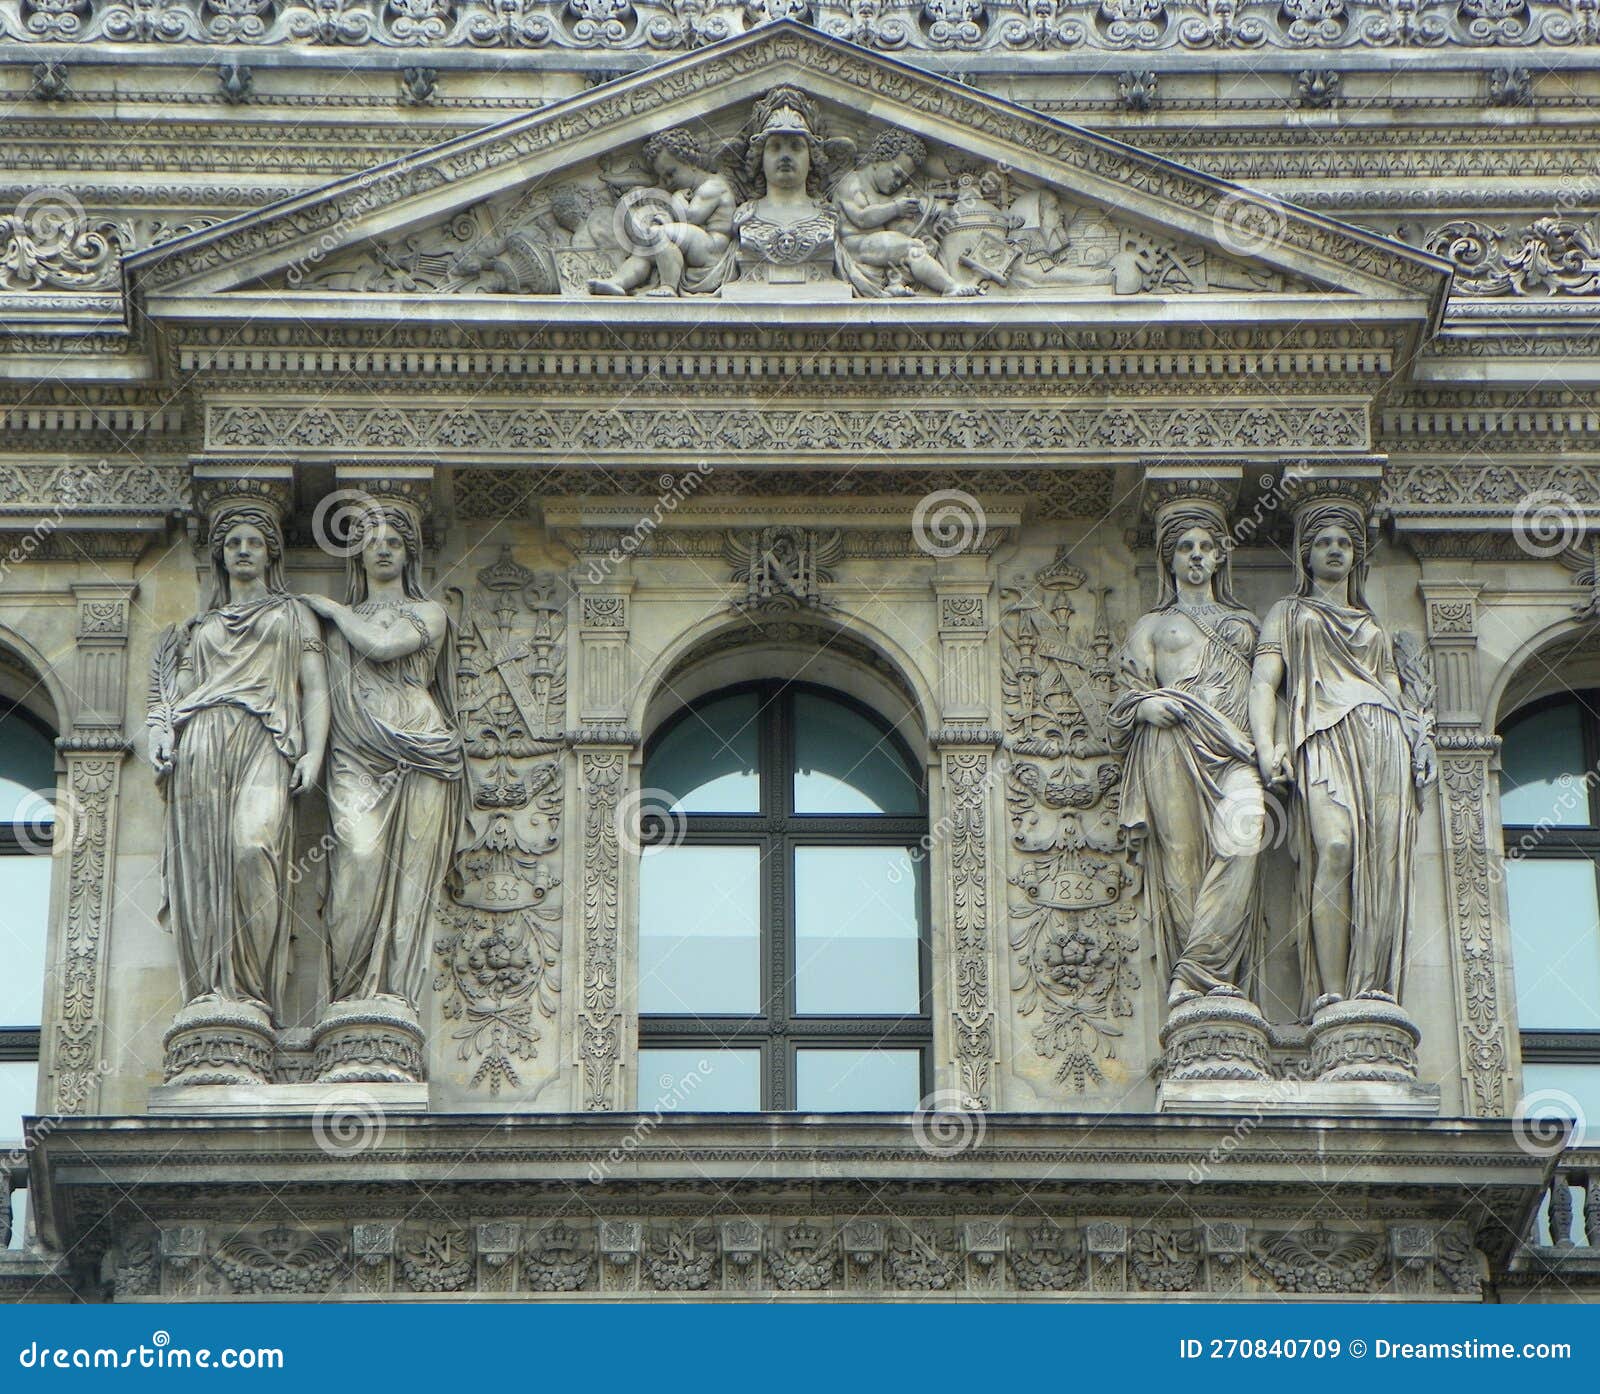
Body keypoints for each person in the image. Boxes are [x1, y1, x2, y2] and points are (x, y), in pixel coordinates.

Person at [1248, 498, 1435, 1016]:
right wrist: (1267, 748)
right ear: (1306, 556)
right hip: (1322, 737)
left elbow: (1395, 689)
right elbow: (1265, 682)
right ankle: (1329, 991)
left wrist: (1418, 739)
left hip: (1382, 737)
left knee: (1382, 861)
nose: (1335, 550)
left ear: (1356, 556)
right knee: (1335, 845)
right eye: (1325, 542)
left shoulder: (1370, 623)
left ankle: (1370, 987)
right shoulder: (1288, 613)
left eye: (1345, 543)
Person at [151, 504, 328, 1021]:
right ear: (220, 556)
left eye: (253, 541)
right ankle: (214, 992)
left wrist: (314, 750)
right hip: (202, 740)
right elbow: (177, 695)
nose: (243, 550)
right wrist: (161, 733)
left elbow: (315, 687)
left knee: (252, 848)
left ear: (271, 552)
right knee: (206, 868)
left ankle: (252, 989)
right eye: (233, 543)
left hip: (265, 740)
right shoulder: (200, 626)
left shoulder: (294, 614)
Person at [301, 505, 464, 1011]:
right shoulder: (332, 630)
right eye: (373, 540)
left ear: (410, 553)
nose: (384, 548)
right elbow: (317, 692)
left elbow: (384, 646)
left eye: (395, 540)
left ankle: (392, 998)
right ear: (359, 554)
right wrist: (310, 751)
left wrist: (332, 610)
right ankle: (350, 997)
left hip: (421, 748)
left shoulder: (429, 612)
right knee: (358, 860)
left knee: (413, 880)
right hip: (352, 752)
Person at [1109, 501, 1264, 1008]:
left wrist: (1274, 745)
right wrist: (1147, 703)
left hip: (1236, 747)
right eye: (1184, 548)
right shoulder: (1153, 625)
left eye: (1206, 547)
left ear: (1220, 557)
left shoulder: (1247, 623)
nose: (1196, 556)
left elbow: (1273, 690)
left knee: (1245, 836)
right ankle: (1193, 986)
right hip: (1171, 741)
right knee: (1179, 860)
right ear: (1168, 561)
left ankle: (1204, 966)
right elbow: (1126, 694)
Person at [587, 128, 736, 297]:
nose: (668, 182)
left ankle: (668, 287)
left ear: (691, 162)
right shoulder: (694, 190)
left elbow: (691, 217)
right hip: (697, 242)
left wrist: (676, 201)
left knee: (657, 234)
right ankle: (617, 282)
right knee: (644, 249)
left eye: (671, 173)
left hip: (712, 246)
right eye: (664, 178)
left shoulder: (712, 186)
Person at [834, 130, 979, 297]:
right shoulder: (851, 183)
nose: (898, 183)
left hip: (875, 245)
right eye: (896, 174)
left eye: (903, 180)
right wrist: (896, 208)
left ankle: (896, 282)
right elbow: (861, 218)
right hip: (859, 248)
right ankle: (950, 287)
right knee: (913, 248)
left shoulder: (883, 195)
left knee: (927, 243)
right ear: (877, 159)